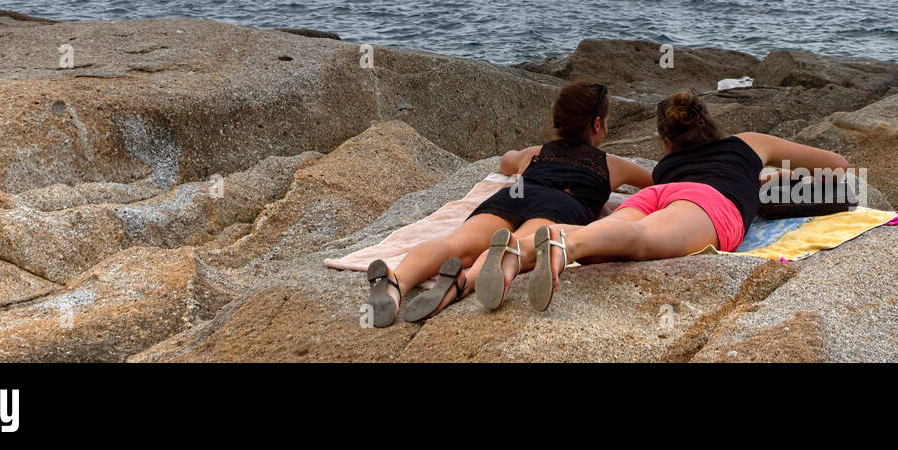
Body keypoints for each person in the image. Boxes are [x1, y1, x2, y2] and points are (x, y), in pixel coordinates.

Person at [522, 89, 850, 311]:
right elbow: (837, 165)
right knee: (639, 240)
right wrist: (776, 178)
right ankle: (566, 247)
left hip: (658, 194)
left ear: (667, 141)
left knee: (613, 232)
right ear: (708, 121)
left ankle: (511, 252)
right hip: (708, 202)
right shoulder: (748, 143)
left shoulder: (665, 168)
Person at [364, 81, 653, 326]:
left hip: (517, 195)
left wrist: (521, 160)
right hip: (563, 204)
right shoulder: (612, 166)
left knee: (456, 244)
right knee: (513, 246)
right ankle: (461, 283)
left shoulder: (535, 153)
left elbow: (505, 161)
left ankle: (396, 282)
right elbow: (657, 182)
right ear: (597, 124)